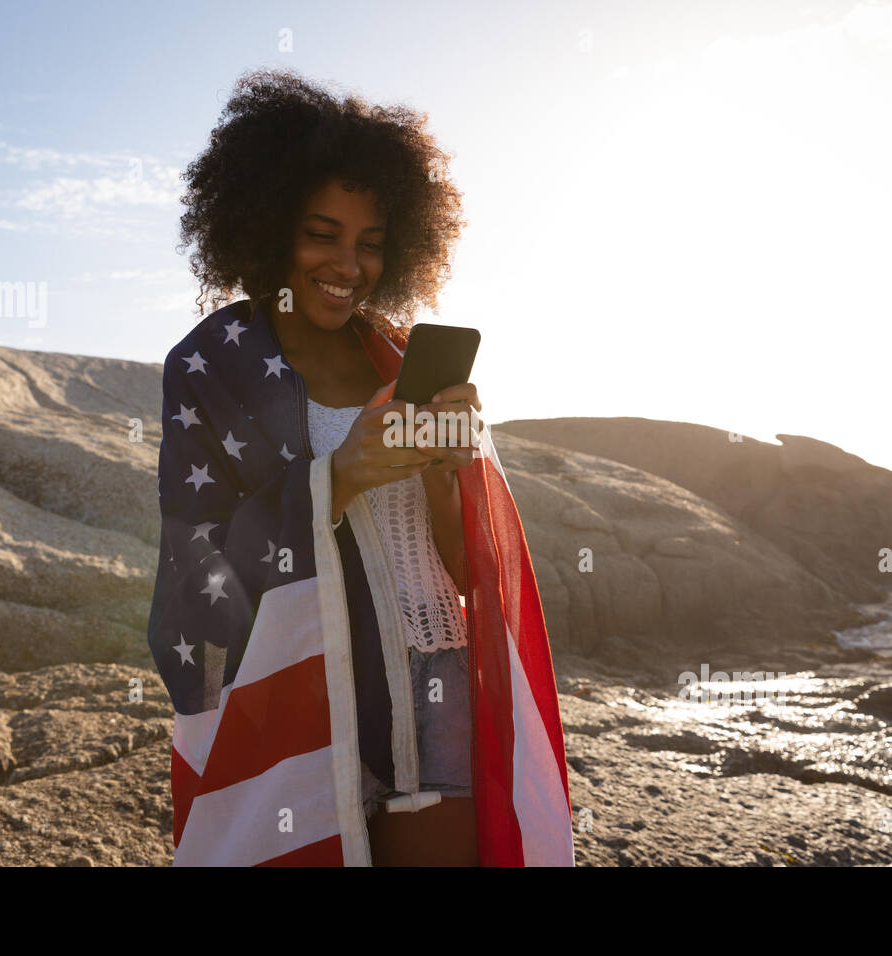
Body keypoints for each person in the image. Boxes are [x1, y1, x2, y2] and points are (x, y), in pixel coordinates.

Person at [147, 68, 573, 867]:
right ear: (267, 225)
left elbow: (461, 566)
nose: (349, 263)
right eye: (322, 232)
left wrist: (450, 472)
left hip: (435, 680)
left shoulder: (396, 355)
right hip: (308, 693)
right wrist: (336, 477)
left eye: (371, 243)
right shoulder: (210, 367)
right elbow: (193, 571)